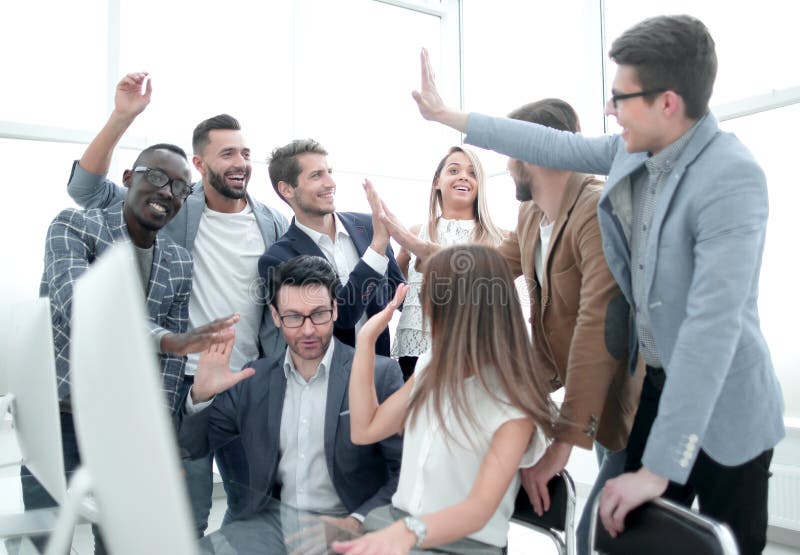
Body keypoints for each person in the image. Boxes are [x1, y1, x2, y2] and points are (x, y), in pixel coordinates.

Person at [409, 14, 785, 554]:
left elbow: (712, 330)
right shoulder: (632, 150)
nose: (610, 110)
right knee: (614, 534)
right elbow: (547, 143)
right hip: (655, 383)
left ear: (668, 102)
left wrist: (657, 470)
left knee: (726, 543)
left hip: (727, 403)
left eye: (621, 97)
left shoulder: (731, 176)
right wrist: (449, 116)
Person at [65, 72, 290, 535]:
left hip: (247, 387)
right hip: (177, 391)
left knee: (257, 512)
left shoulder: (272, 223)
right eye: (227, 153)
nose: (240, 162)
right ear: (200, 162)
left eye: (246, 153)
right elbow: (86, 192)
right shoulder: (172, 207)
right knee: (183, 519)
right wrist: (122, 117)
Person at [34, 117, 235, 553]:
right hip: (61, 417)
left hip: (125, 429)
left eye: (180, 187)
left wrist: (162, 444)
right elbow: (79, 307)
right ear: (129, 179)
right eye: (157, 177)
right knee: (47, 540)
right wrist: (166, 338)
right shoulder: (74, 226)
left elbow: (169, 370)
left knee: (123, 543)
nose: (167, 192)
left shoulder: (179, 261)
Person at [333, 245, 553, 554]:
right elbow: (365, 429)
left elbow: (478, 510)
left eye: (429, 300)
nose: (423, 310)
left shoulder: (513, 401)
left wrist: (407, 533)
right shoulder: (432, 363)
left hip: (463, 546)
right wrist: (366, 341)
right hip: (398, 526)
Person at [178, 255, 404, 536]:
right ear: (275, 316)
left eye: (319, 314)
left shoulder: (379, 375)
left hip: (351, 531)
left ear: (335, 309)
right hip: (272, 530)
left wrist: (355, 522)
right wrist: (200, 396)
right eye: (294, 317)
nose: (308, 330)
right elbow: (193, 447)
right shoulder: (253, 379)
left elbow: (403, 472)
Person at [260, 139, 405, 357]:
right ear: (287, 189)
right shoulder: (278, 259)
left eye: (329, 171)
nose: (331, 182)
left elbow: (402, 294)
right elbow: (342, 317)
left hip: (380, 375)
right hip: (326, 381)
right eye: (316, 175)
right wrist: (376, 249)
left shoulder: (369, 226)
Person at [391, 145, 504, 380]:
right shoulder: (415, 233)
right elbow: (397, 281)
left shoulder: (498, 238)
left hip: (472, 353)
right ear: (437, 182)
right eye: (454, 170)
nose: (463, 176)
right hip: (414, 351)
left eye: (472, 173)